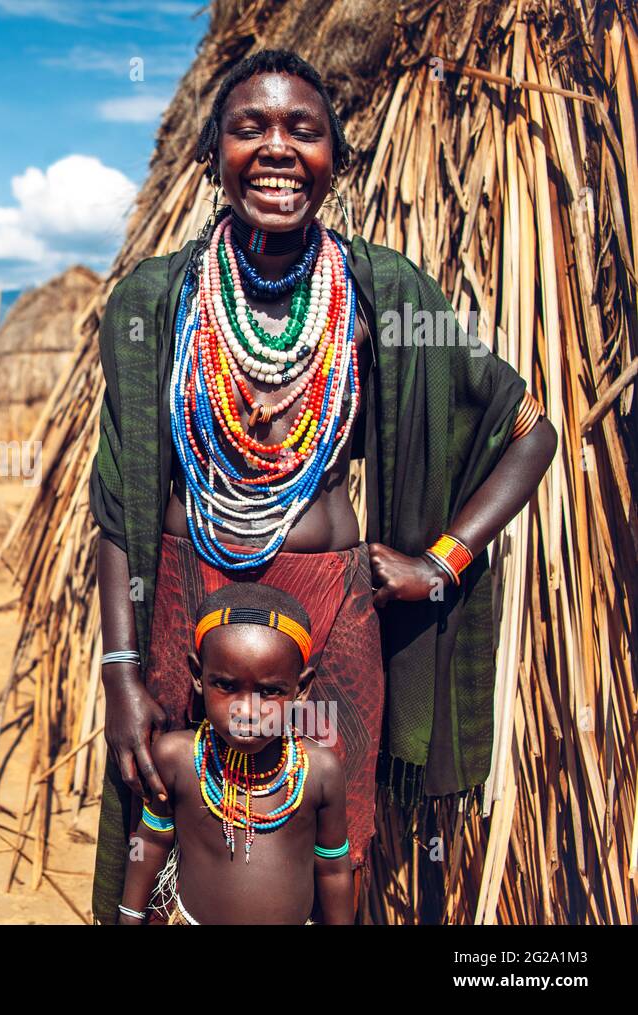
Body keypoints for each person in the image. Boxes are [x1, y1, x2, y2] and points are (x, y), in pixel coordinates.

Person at [89, 49, 557, 926]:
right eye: (249, 127)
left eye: (303, 129)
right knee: (174, 822)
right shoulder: (157, 303)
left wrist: (443, 562)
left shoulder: (380, 294)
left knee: (330, 837)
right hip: (188, 603)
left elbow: (529, 429)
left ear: (335, 160)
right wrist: (121, 672)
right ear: (210, 156)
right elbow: (118, 511)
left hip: (330, 620)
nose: (277, 147)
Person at [116, 583, 353, 926]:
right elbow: (151, 841)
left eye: (270, 691)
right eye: (226, 686)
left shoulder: (320, 771)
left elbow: (333, 869)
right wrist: (129, 916)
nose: (247, 710)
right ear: (198, 675)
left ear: (300, 689)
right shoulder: (176, 758)